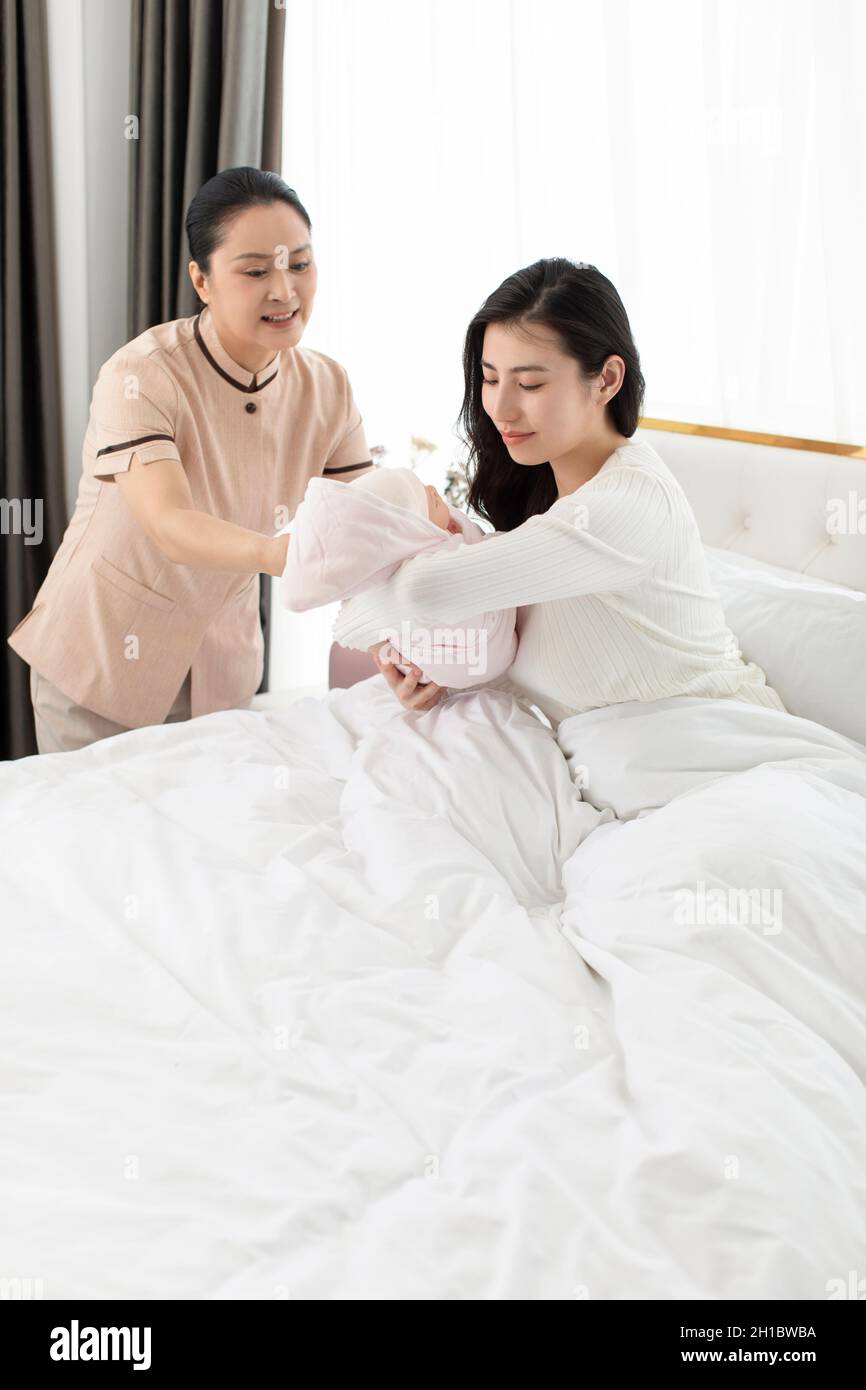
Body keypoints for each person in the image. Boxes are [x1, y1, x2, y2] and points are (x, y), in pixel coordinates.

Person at [7, 166, 375, 754]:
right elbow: (171, 526)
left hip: (220, 676)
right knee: (104, 841)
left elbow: (365, 516)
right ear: (201, 281)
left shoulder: (327, 386)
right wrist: (286, 556)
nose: (284, 289)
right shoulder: (142, 374)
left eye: (300, 264)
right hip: (101, 661)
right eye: (256, 271)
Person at [332, 258, 786, 727]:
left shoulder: (627, 506)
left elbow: (423, 590)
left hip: (714, 740)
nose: (501, 409)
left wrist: (307, 567)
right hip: (616, 760)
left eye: (530, 383)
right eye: (490, 379)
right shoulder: (543, 498)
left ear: (607, 380)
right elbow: (541, 662)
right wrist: (428, 669)